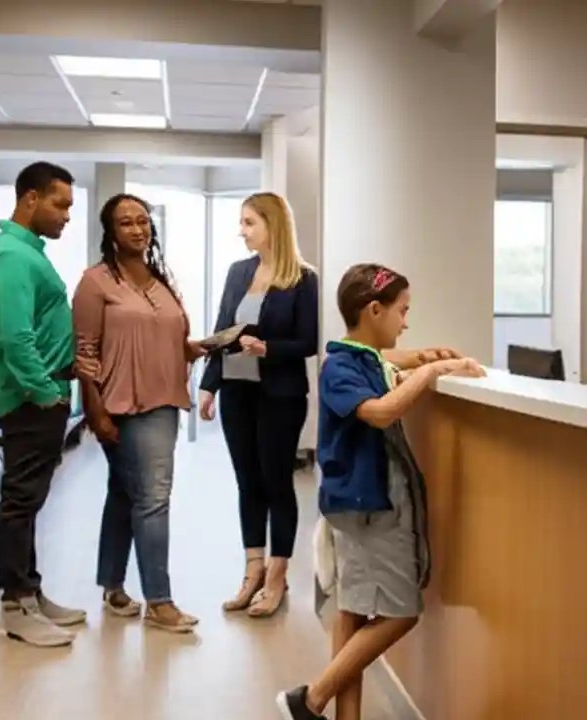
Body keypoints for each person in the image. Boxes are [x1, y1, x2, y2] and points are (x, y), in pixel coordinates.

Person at [276, 263, 485, 720]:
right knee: (401, 613)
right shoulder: (339, 368)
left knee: (351, 612)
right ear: (374, 310)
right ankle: (309, 699)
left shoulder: (362, 357)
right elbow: (381, 411)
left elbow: (389, 361)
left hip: (360, 504)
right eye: (401, 311)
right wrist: (432, 374)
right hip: (366, 508)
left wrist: (425, 357)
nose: (405, 322)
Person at [72, 193, 207, 633]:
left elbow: (168, 337)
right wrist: (94, 410)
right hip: (121, 405)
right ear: (110, 232)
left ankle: (112, 586)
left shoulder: (161, 280)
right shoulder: (95, 283)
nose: (137, 229)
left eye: (143, 221)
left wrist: (200, 347)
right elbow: (85, 352)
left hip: (164, 399)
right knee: (153, 497)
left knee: (125, 494)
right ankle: (160, 602)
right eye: (126, 222)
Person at [199, 192, 319, 619]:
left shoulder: (303, 279)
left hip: (280, 397)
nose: (242, 230)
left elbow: (307, 342)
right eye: (242, 222)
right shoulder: (238, 272)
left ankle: (277, 576)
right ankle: (252, 570)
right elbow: (221, 331)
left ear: (273, 225)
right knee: (247, 482)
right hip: (237, 393)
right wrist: (209, 386)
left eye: (249, 222)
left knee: (276, 484)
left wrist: (267, 348)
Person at [0, 161, 84, 647]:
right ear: (30, 199)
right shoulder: (10, 258)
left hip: (45, 396)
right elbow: (15, 337)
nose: (66, 215)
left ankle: (30, 593)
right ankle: (14, 608)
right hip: (29, 401)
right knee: (21, 501)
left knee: (32, 500)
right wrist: (46, 393)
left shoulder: (28, 254)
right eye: (60, 204)